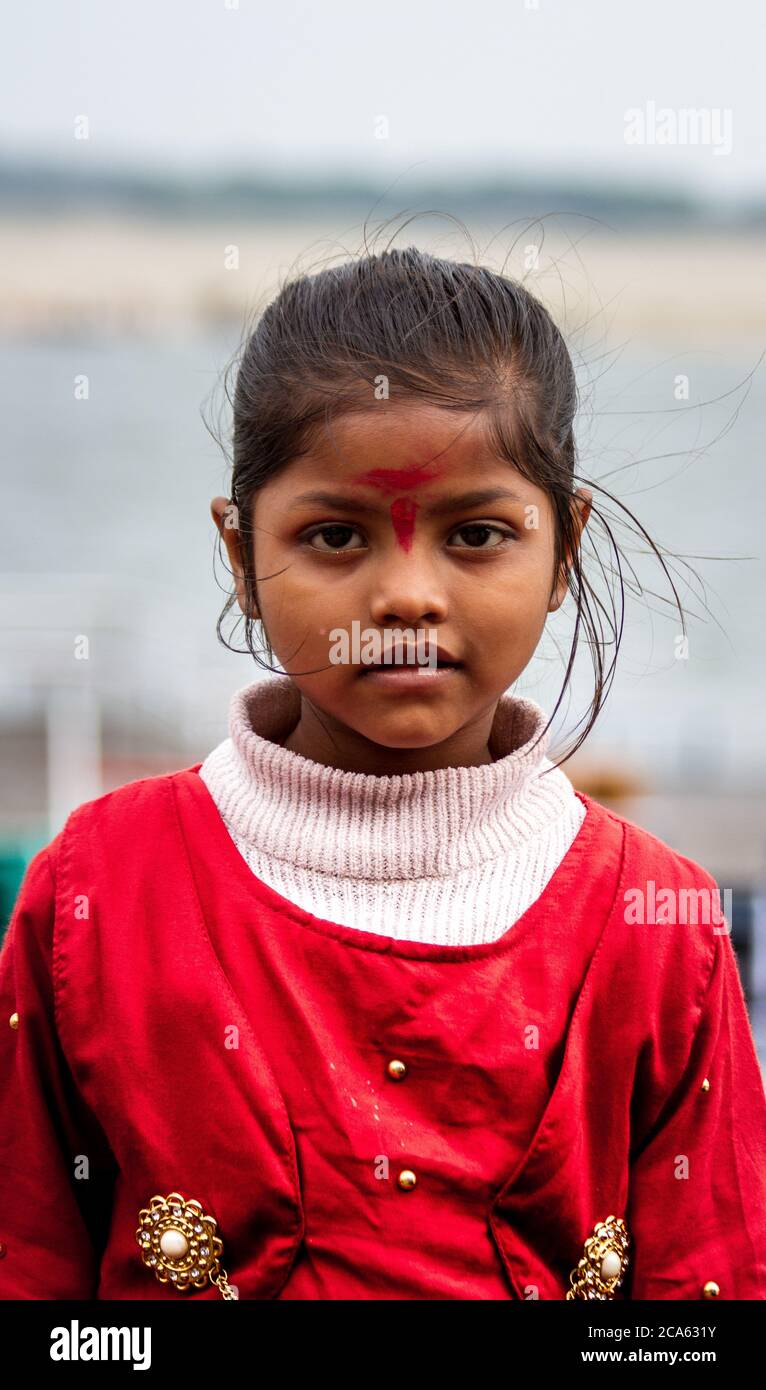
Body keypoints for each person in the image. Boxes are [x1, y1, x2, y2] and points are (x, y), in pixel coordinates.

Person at [2, 246, 765, 1301]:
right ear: (239, 558)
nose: (406, 594)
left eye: (478, 534)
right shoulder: (97, 889)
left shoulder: (656, 924)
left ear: (566, 553)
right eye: (333, 535)